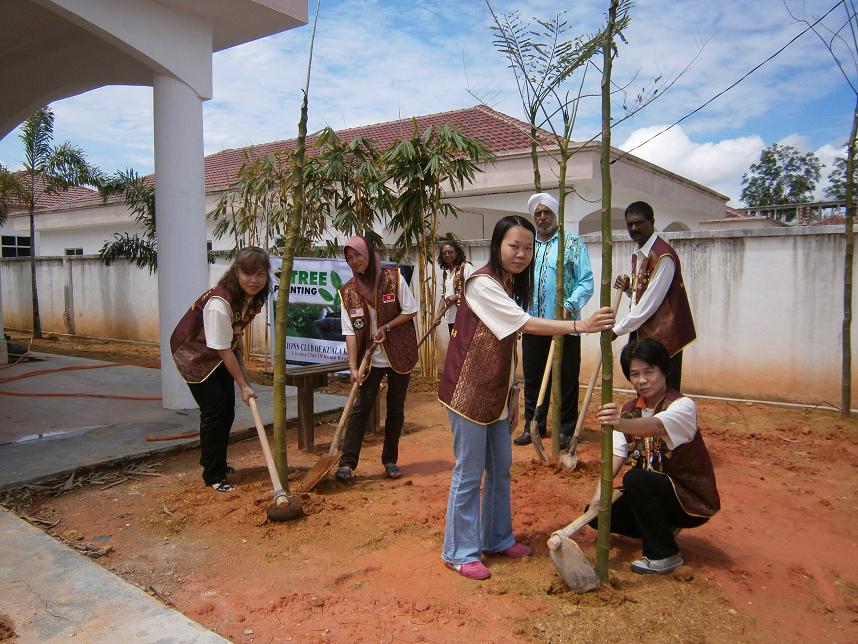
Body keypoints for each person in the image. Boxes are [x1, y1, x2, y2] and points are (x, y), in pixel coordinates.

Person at [438, 215, 614, 580]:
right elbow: (523, 325)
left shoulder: (511, 283)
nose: (521, 254)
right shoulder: (481, 284)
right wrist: (580, 325)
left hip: (496, 392)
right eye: (513, 246)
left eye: (527, 247)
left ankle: (497, 537)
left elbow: (507, 345)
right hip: (468, 390)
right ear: (497, 246)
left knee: (501, 470)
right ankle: (458, 550)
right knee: (469, 473)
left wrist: (514, 393)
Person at [587, 339, 720, 575]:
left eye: (649, 372)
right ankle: (660, 528)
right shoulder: (629, 410)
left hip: (688, 500)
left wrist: (620, 424)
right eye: (635, 374)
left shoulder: (682, 406)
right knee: (599, 516)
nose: (642, 380)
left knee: (636, 479)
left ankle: (664, 554)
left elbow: (656, 426)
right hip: (651, 493)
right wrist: (599, 500)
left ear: (665, 371)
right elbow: (616, 457)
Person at [170, 247, 271, 493]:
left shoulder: (250, 297)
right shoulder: (219, 303)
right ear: (236, 272)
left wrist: (243, 380)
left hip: (218, 352)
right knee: (214, 410)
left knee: (227, 411)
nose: (254, 280)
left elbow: (233, 340)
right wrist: (244, 385)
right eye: (248, 273)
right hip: (194, 355)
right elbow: (225, 349)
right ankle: (213, 476)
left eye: (260, 274)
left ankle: (216, 462)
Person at [335, 236, 419, 482]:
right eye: (349, 258)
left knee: (396, 408)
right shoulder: (348, 292)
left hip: (399, 354)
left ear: (368, 254)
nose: (354, 261)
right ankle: (347, 463)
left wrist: (387, 327)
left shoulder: (393, 279)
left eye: (358, 255)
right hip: (369, 359)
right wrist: (352, 366)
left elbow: (410, 309)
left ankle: (390, 460)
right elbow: (350, 331)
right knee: (360, 409)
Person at [514, 193, 593, 449]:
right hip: (534, 324)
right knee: (533, 377)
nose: (542, 217)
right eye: (537, 213)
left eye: (546, 212)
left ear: (555, 214)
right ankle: (533, 425)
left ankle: (566, 428)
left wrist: (570, 305)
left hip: (564, 325)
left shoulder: (572, 243)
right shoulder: (528, 246)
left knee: (567, 377)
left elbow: (586, 281)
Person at [612, 201, 695, 391]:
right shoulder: (639, 253)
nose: (634, 228)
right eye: (630, 224)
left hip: (666, 336)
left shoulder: (663, 256)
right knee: (645, 387)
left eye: (639, 222)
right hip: (646, 333)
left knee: (664, 390)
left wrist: (617, 330)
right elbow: (640, 298)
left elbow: (650, 303)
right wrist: (627, 289)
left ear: (652, 222)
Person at [433, 239, 475, 335]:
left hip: (465, 318)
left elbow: (474, 291)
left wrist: (456, 297)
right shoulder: (445, 273)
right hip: (451, 318)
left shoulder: (467, 268)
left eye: (450, 252)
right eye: (444, 253)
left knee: (464, 349)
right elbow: (444, 296)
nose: (447, 255)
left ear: (457, 252)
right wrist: (438, 315)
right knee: (456, 348)